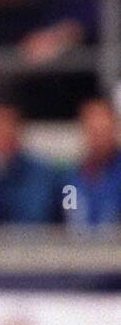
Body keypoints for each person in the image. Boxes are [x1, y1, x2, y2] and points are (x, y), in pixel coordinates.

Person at [65, 95, 121, 227]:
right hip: (77, 245)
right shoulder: (71, 179)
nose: (99, 139)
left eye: (103, 130)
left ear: (114, 129)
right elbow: (67, 217)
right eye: (94, 130)